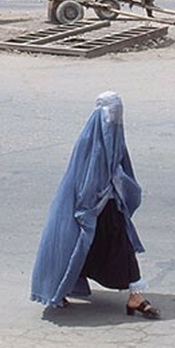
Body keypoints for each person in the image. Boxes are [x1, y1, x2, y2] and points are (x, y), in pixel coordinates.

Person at [30, 92, 160, 319]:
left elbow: (122, 168)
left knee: (118, 245)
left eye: (118, 114)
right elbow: (83, 178)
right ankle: (64, 288)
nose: (115, 119)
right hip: (88, 206)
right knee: (76, 248)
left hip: (109, 203)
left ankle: (135, 294)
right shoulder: (88, 141)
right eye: (111, 114)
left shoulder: (116, 136)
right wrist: (88, 206)